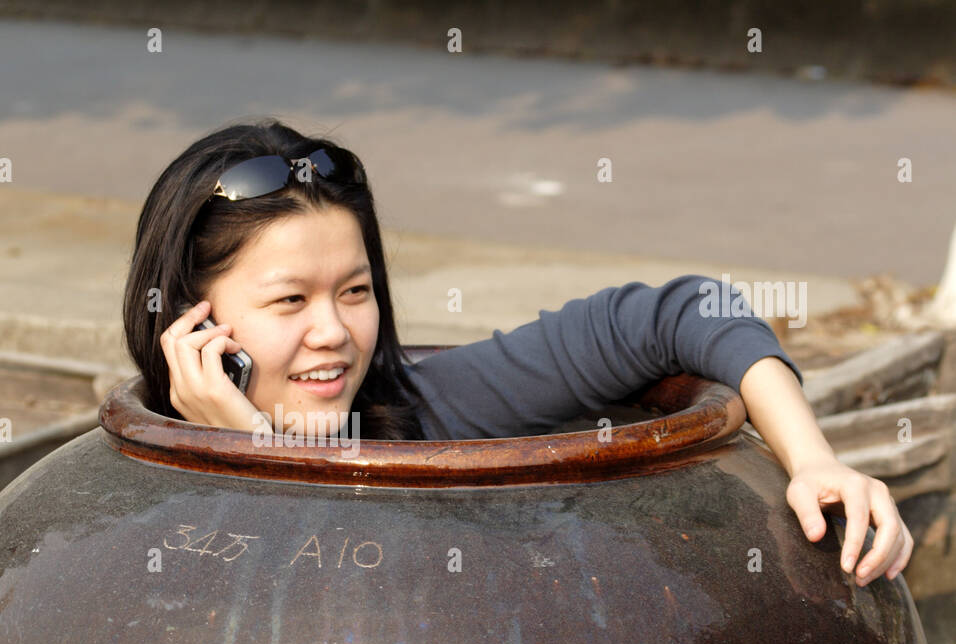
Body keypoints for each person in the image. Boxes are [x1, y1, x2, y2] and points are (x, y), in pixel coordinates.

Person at [122, 118, 913, 588]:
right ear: (194, 319)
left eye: (355, 292)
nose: (332, 332)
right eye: (290, 300)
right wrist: (240, 451)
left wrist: (815, 462)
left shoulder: (428, 407)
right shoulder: (120, 508)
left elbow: (685, 311)